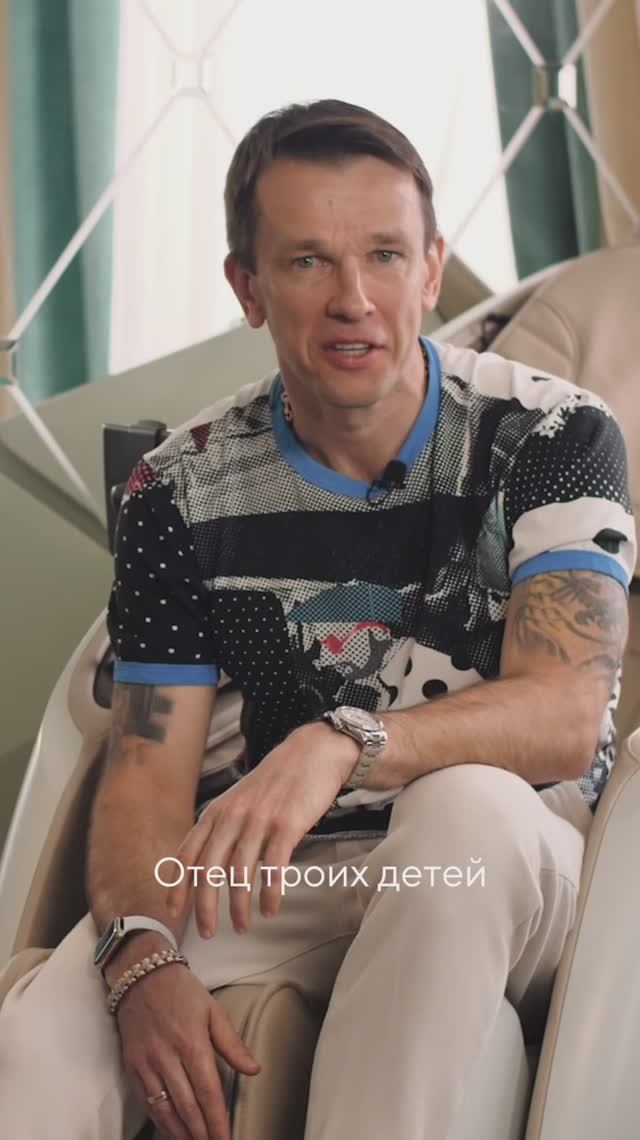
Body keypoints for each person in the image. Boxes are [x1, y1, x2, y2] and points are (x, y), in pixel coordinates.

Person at [0, 98, 635, 1140]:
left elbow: (565, 716)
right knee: (38, 1044)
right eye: (307, 262)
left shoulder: (554, 433)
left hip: (512, 864)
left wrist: (343, 741)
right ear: (246, 287)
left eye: (385, 255)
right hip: (280, 875)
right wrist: (141, 954)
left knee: (461, 811)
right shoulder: (177, 488)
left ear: (431, 269)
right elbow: (146, 776)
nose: (354, 300)